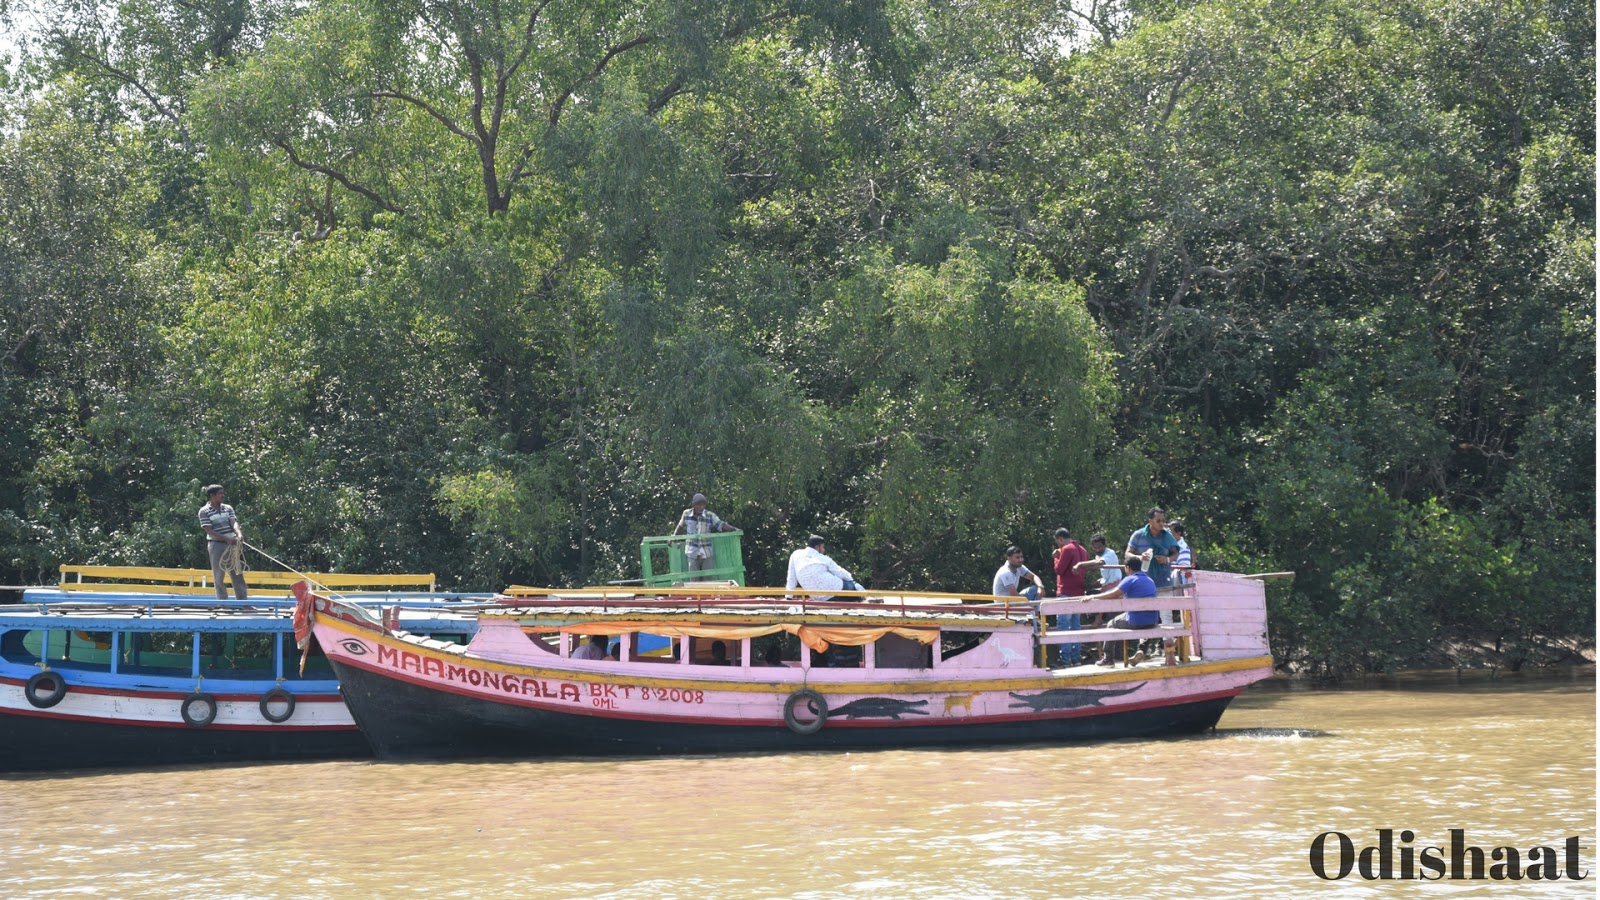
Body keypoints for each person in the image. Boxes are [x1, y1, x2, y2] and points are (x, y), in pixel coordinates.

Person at [1079, 555, 1159, 667]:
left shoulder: (1130, 579)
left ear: (1127, 568)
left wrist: (1093, 597)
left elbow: (1114, 594)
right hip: (1152, 620)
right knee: (1144, 623)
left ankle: (1108, 659)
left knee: (1111, 624)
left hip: (1136, 621)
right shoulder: (1149, 580)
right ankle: (1141, 649)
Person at [198, 484, 248, 601]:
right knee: (219, 575)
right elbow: (209, 530)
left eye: (223, 493)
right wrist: (226, 539)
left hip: (232, 544)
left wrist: (239, 534)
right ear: (212, 495)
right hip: (216, 544)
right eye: (220, 493)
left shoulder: (228, 508)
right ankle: (223, 603)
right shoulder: (204, 511)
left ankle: (243, 602)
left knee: (237, 573)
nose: (223, 495)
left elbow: (233, 522)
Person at [671, 493, 734, 580]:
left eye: (703, 505)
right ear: (694, 505)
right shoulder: (686, 514)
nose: (701, 507)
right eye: (698, 505)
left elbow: (721, 525)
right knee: (693, 580)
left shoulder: (709, 515)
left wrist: (734, 529)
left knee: (708, 580)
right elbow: (680, 526)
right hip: (692, 552)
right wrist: (673, 538)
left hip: (706, 552)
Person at [1050, 528, 1089, 665]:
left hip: (1065, 591)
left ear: (1060, 539)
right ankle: (1076, 658)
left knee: (1063, 625)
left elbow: (1059, 570)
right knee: (1075, 625)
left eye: (1058, 542)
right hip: (1079, 593)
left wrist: (1056, 557)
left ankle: (1065, 660)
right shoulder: (1083, 550)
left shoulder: (1066, 549)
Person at [785, 535, 861, 600]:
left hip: (817, 597)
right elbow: (840, 572)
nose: (824, 550)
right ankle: (867, 597)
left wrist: (788, 597)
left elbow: (791, 578)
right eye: (823, 547)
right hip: (835, 591)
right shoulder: (823, 558)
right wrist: (851, 578)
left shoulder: (795, 554)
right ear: (817, 547)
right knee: (852, 584)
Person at [1127, 507, 1182, 589]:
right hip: (1142, 578)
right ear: (1150, 521)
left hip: (1163, 578)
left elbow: (1176, 554)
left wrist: (1167, 559)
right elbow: (1127, 554)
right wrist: (1140, 557)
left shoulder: (1167, 536)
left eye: (1163, 521)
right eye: (1158, 521)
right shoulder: (1138, 535)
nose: (1161, 524)